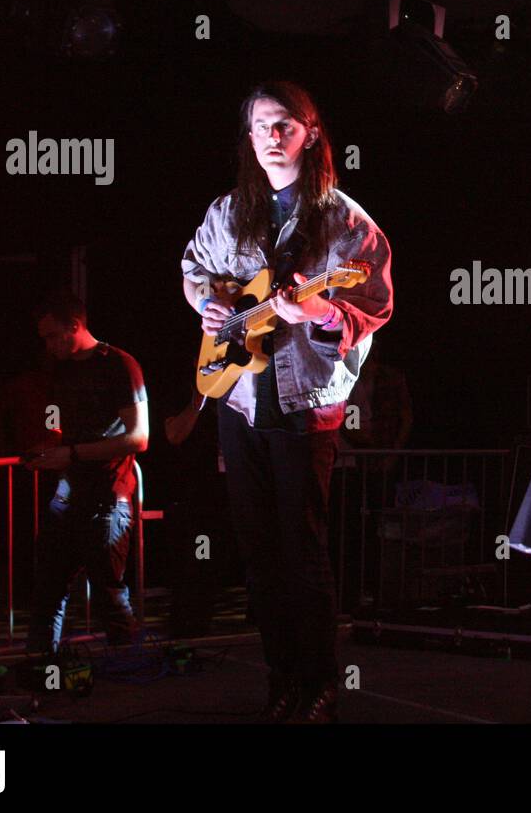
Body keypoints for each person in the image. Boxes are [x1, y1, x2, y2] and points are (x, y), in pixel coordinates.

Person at [181, 81, 393, 723]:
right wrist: (209, 304)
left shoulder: (346, 220)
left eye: (286, 125)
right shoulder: (227, 212)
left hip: (306, 404)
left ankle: (321, 683)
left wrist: (321, 307)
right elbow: (194, 268)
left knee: (302, 548)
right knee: (258, 549)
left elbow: (374, 306)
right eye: (262, 125)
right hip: (239, 398)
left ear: (311, 133)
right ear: (248, 137)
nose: (273, 136)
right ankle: (280, 679)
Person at [24, 290, 148, 655]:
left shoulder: (119, 365)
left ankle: (128, 674)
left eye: (51, 336)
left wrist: (71, 453)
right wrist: (49, 448)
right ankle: (40, 670)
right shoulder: (61, 370)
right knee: (47, 592)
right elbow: (62, 425)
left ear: (74, 326)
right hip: (68, 497)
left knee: (110, 597)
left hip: (107, 499)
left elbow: (139, 437)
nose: (47, 345)